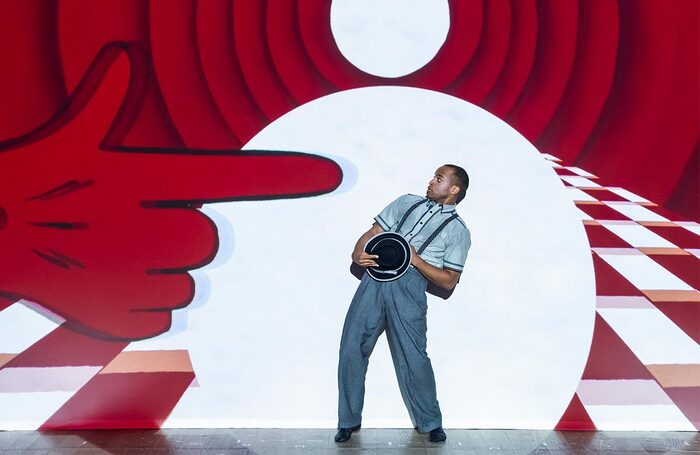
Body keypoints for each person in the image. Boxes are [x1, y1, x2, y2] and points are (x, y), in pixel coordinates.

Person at [335, 164, 472, 444]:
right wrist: (357, 252)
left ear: (454, 189)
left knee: (413, 357)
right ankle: (348, 421)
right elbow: (374, 231)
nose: (431, 182)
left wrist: (417, 260)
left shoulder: (458, 231)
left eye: (439, 179)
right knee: (351, 348)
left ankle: (431, 422)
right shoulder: (406, 202)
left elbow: (449, 281)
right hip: (373, 279)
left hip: (410, 286)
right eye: (433, 177)